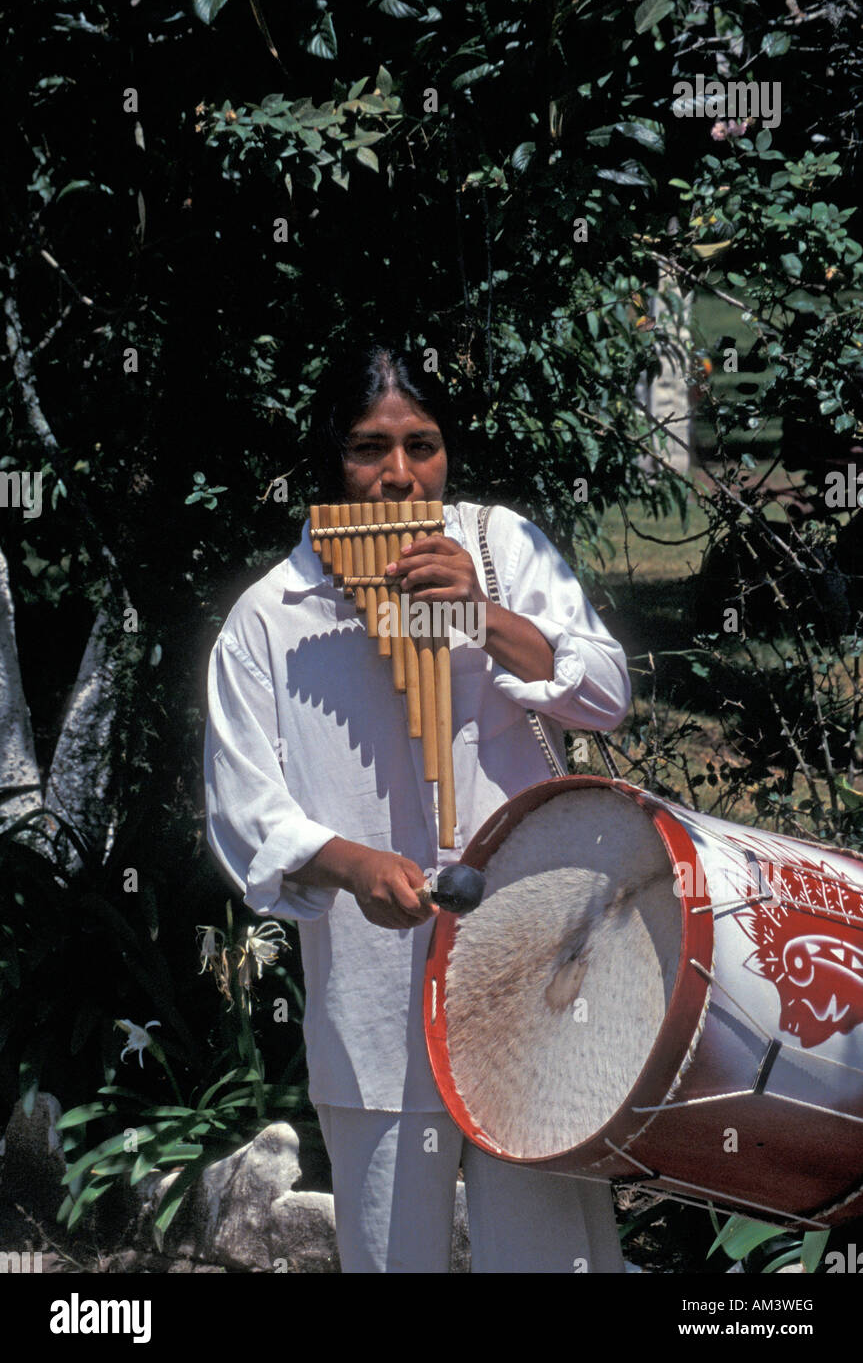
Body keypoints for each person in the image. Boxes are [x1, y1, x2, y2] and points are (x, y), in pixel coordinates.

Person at [204, 344, 632, 1273]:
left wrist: (483, 616)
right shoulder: (268, 617)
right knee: (392, 1256)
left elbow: (604, 693)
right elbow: (243, 810)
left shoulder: (499, 548)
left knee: (551, 1256)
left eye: (422, 446)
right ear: (331, 458)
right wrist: (348, 864)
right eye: (370, 449)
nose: (399, 477)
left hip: (529, 976)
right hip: (371, 996)